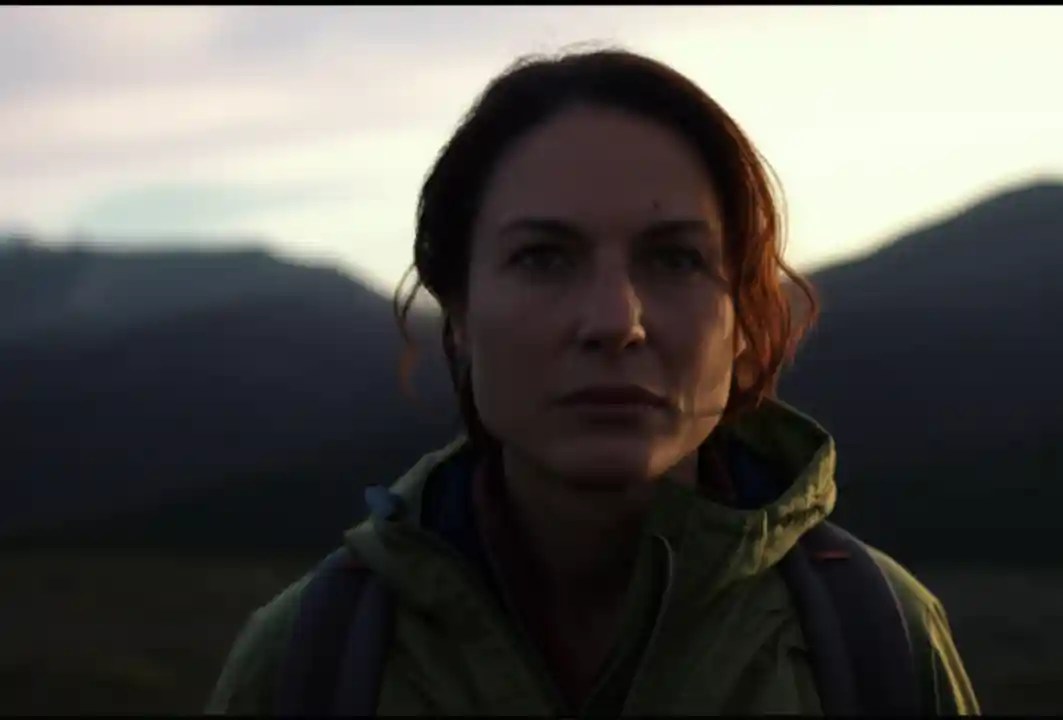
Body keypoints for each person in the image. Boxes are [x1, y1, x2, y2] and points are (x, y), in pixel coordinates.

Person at [206, 47, 980, 716]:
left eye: (675, 258)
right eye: (543, 257)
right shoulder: (313, 659)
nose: (616, 321)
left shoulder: (873, 639)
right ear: (461, 313)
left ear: (743, 317)